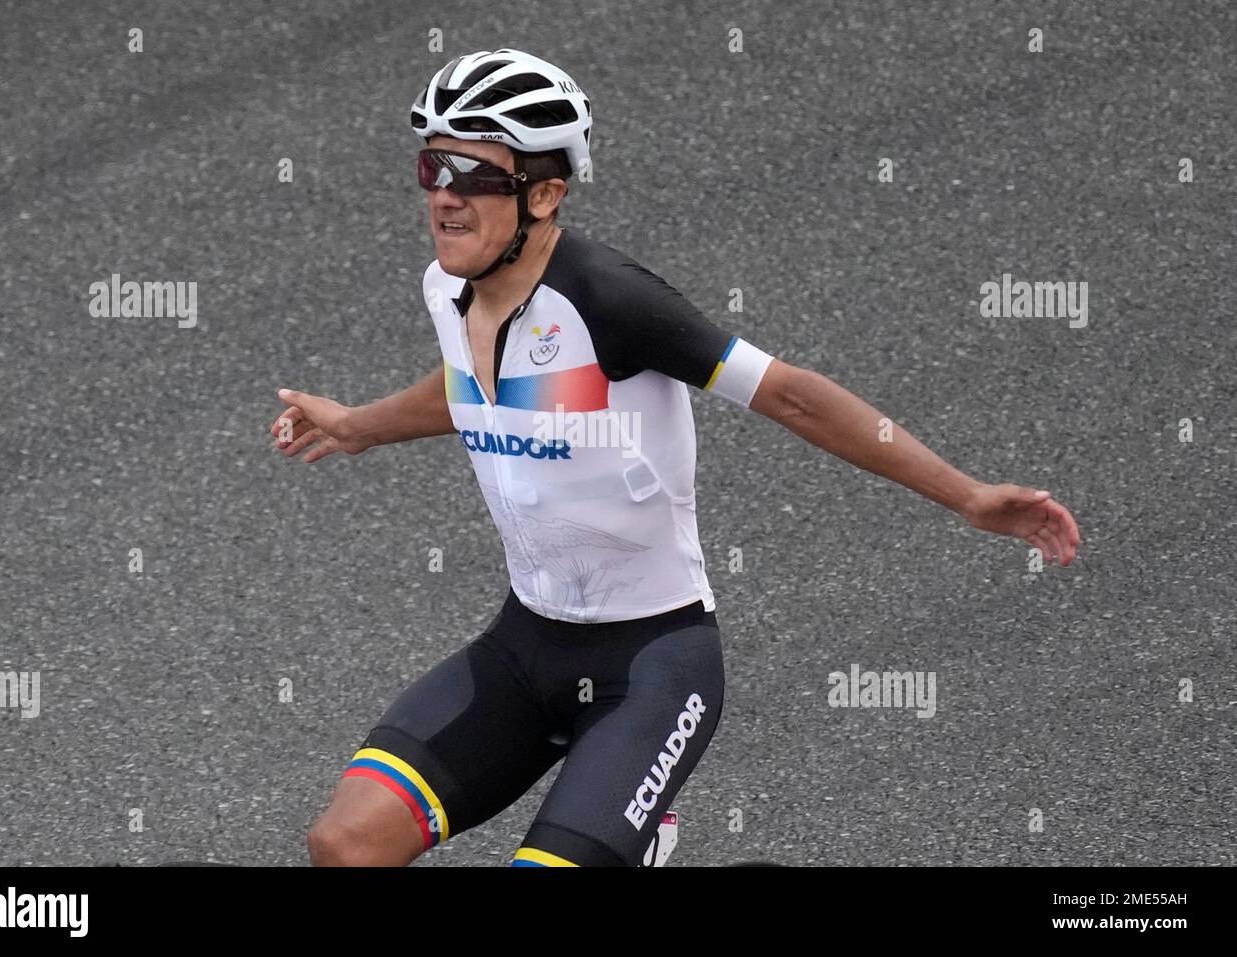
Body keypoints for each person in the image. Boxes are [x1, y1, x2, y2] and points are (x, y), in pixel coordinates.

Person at [272, 49, 1081, 867]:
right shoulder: (448, 289)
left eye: (471, 173)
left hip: (651, 666)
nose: (442, 193)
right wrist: (358, 425)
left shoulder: (610, 302)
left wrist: (969, 497)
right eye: (430, 166)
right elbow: (476, 388)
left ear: (544, 193)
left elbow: (793, 394)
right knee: (342, 844)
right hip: (523, 648)